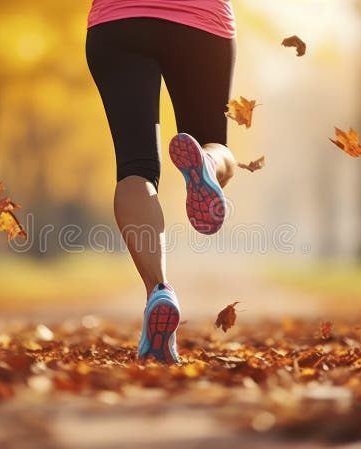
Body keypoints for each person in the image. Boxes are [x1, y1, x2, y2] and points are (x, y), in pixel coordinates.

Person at [85, 0, 237, 364]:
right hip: (202, 21)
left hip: (119, 22)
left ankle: (159, 292)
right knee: (214, 143)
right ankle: (208, 161)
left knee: (135, 168)